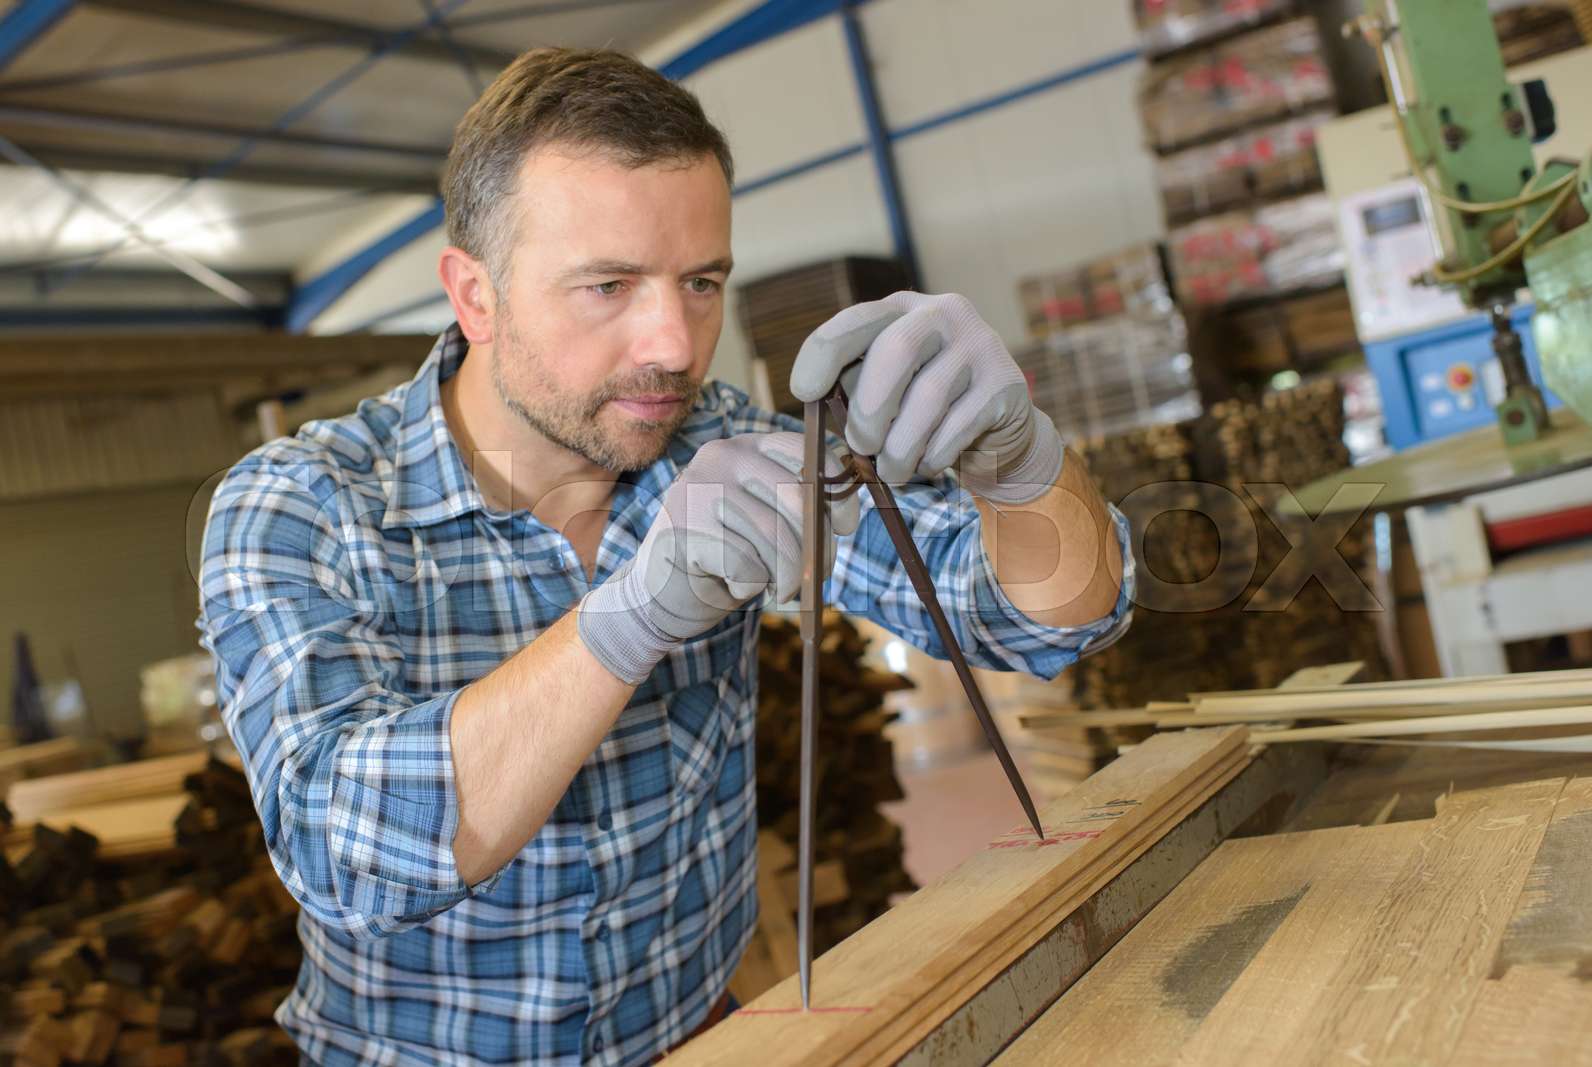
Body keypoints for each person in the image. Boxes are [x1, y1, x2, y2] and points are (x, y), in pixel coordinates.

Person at [197, 47, 1133, 1066]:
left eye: (700, 282)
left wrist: (1021, 464)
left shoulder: (717, 442)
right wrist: (625, 617)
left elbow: (1042, 615)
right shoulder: (300, 505)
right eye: (607, 284)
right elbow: (345, 851)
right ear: (474, 294)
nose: (676, 345)